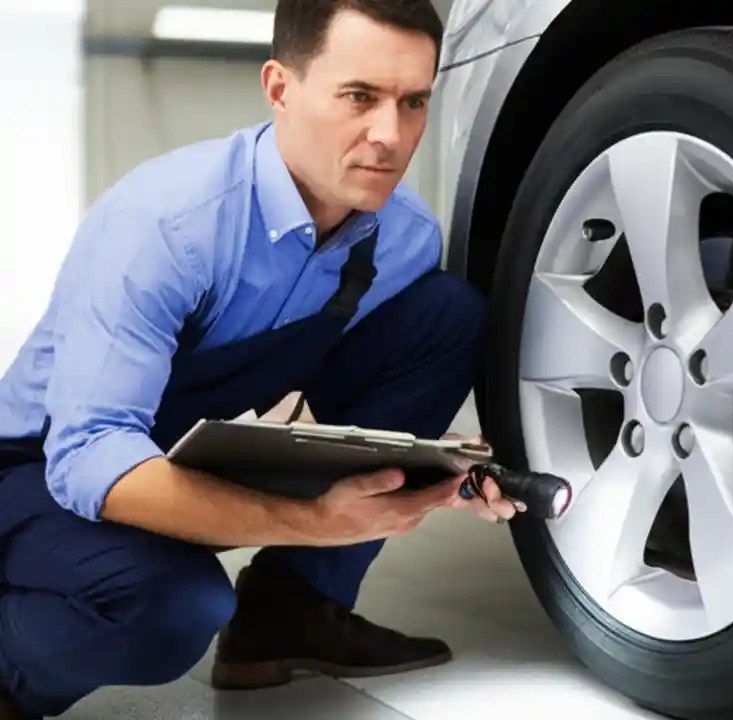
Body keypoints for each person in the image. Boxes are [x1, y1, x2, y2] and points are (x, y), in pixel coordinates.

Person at [0, 1, 520, 717]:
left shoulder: (404, 241)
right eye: (359, 97)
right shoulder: (166, 226)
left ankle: (291, 615)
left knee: (448, 315)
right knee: (176, 605)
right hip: (36, 468)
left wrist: (437, 469)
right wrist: (315, 519)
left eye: (414, 102)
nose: (390, 135)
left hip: (179, 441)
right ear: (279, 88)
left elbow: (338, 391)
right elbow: (89, 457)